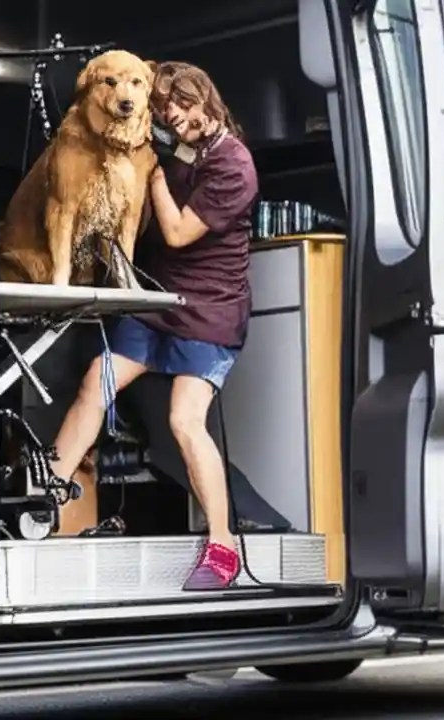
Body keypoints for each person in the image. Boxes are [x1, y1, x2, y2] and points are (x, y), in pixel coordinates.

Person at [48, 61, 258, 591]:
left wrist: (153, 175)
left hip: (209, 310)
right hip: (158, 302)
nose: (173, 116)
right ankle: (46, 499)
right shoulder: (184, 145)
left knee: (185, 421)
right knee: (96, 382)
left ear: (205, 99)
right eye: (166, 109)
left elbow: (180, 232)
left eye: (182, 105)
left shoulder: (234, 164)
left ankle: (222, 546)